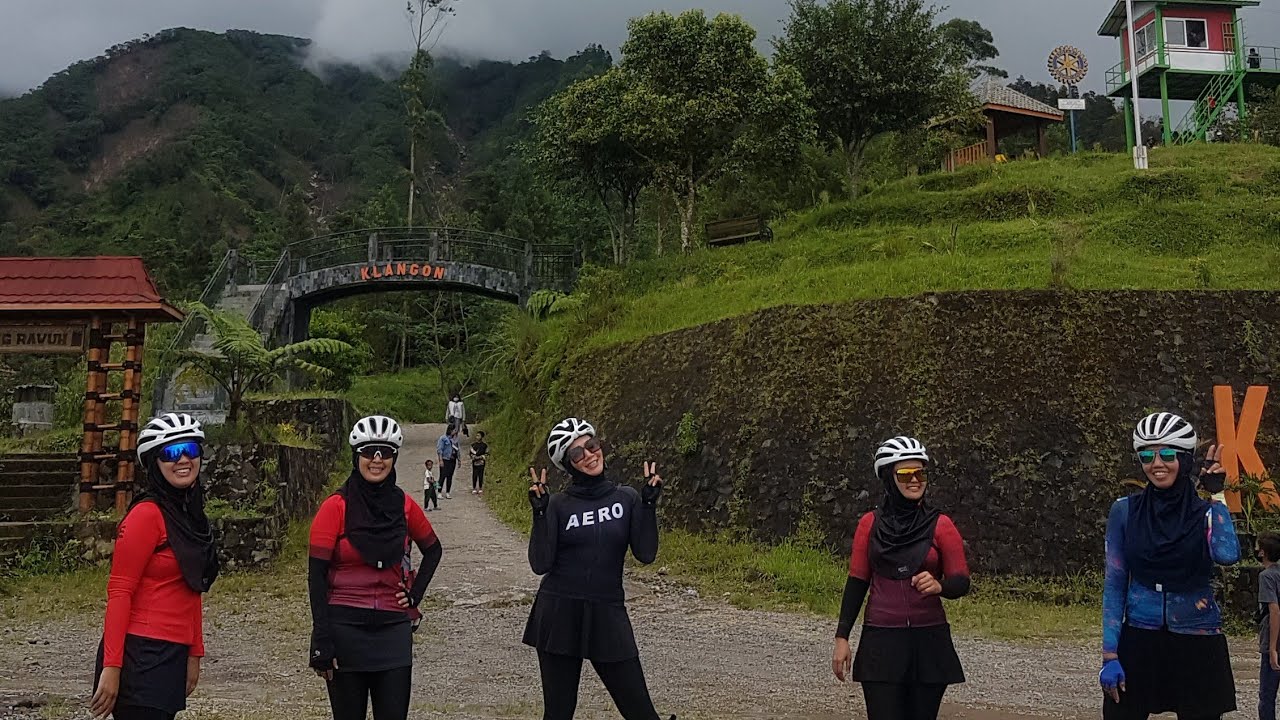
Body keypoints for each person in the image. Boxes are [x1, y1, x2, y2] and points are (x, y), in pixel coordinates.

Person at [524, 417, 674, 720]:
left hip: (608, 612)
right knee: (558, 714)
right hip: (559, 613)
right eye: (577, 453)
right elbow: (540, 564)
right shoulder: (558, 505)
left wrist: (648, 506)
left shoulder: (626, 498)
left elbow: (645, 554)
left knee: (642, 713)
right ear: (568, 465)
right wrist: (540, 515)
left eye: (591, 445)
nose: (589, 455)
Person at [1099, 412, 1239, 720]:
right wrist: (1110, 654)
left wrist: (1217, 494)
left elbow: (1227, 554)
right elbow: (1115, 582)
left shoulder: (1205, 513)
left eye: (1167, 455)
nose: (1157, 464)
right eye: (1147, 456)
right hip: (1140, 635)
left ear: (1185, 460)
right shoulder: (1125, 511)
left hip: (1197, 637)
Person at [308, 415, 443, 720]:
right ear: (356, 456)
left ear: (394, 457)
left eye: (385, 452)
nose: (377, 459)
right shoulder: (335, 507)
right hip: (344, 631)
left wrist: (415, 595)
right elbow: (316, 576)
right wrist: (321, 638)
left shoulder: (405, 505)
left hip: (393, 632)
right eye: (369, 452)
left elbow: (433, 550)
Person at [90, 413, 220, 720]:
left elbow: (193, 586)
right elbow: (120, 592)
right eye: (171, 453)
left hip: (173, 651)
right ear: (154, 463)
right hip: (140, 653)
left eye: (190, 449)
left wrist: (195, 652)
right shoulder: (146, 515)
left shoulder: (190, 516)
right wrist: (112, 666)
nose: (183, 459)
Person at [831, 436, 970, 720]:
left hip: (929, 642)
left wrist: (940, 585)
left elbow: (961, 581)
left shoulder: (941, 525)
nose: (915, 480)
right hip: (881, 640)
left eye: (921, 473)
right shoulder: (869, 525)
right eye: (905, 474)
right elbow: (857, 581)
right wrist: (842, 637)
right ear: (888, 478)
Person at [1259, 532, 1280, 720]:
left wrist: (1272, 648)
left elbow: (1274, 610)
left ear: (1262, 552)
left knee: (1267, 695)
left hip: (1274, 639)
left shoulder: (1266, 577)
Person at [436, 423, 459, 499]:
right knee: (442, 476)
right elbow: (440, 450)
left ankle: (448, 492)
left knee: (450, 476)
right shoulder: (443, 438)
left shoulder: (455, 440)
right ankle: (439, 491)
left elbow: (458, 450)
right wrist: (440, 460)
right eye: (454, 430)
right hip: (445, 459)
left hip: (453, 459)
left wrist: (459, 459)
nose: (455, 432)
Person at [470, 431, 489, 495]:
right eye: (476, 435)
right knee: (474, 475)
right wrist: (474, 457)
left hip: (482, 463)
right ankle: (474, 488)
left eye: (478, 435)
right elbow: (471, 453)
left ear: (482, 437)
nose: (477, 437)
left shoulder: (484, 445)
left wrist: (481, 457)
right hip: (475, 463)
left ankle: (480, 488)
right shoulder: (473, 445)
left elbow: (486, 453)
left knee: (481, 475)